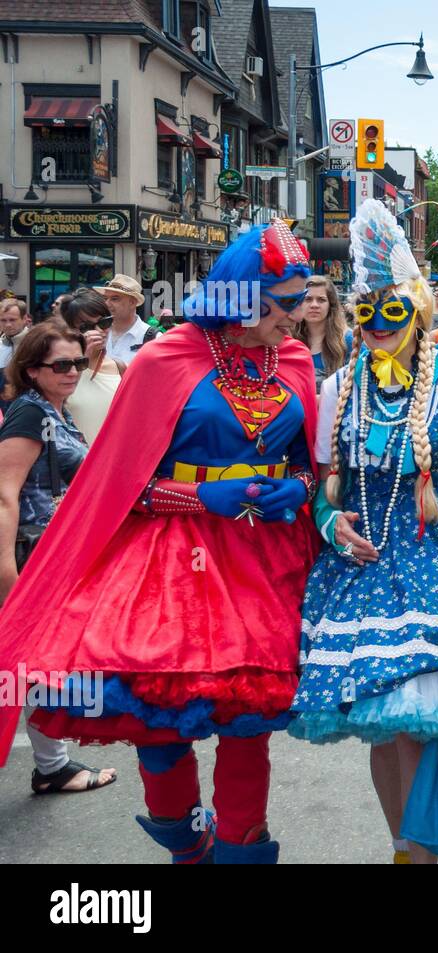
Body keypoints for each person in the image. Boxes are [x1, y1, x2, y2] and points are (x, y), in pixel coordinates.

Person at [0, 220, 320, 863]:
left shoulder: (293, 360)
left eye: (303, 297)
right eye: (286, 301)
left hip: (266, 555)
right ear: (245, 297)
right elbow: (121, 480)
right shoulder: (165, 358)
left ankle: (240, 846)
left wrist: (302, 486)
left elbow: (310, 457)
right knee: (158, 713)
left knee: (247, 720)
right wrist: (201, 496)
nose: (300, 315)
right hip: (171, 557)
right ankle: (186, 846)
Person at [291, 200, 438, 863]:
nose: (379, 325)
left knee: (415, 727)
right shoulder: (340, 387)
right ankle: (403, 846)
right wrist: (330, 522)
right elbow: (319, 477)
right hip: (359, 573)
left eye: (394, 310)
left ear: (417, 311)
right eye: (368, 312)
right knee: (384, 730)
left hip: (437, 569)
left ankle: (420, 854)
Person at [0, 321, 117, 796]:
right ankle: (52, 765)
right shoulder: (30, 415)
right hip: (29, 556)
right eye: (60, 365)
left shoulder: (55, 410)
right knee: (27, 664)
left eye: (76, 362)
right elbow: (5, 495)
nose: (72, 372)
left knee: (31, 664)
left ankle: (52, 765)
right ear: (31, 371)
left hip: (51, 556)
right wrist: (6, 568)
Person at [61, 289, 125, 445]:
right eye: (86, 327)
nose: (99, 331)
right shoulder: (58, 369)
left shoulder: (121, 368)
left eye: (104, 323)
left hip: (109, 464)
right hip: (73, 464)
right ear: (70, 330)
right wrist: (83, 358)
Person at [295, 275, 353, 391]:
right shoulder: (288, 339)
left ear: (330, 305)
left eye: (321, 300)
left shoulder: (347, 340)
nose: (314, 305)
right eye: (308, 299)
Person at [92, 274, 156, 366]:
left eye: (114, 299)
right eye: (105, 298)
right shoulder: (97, 331)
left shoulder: (153, 337)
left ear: (132, 302)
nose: (107, 303)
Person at [0, 298, 31, 373]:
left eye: (12, 320)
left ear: (24, 319)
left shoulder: (36, 343)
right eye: (3, 320)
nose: (8, 325)